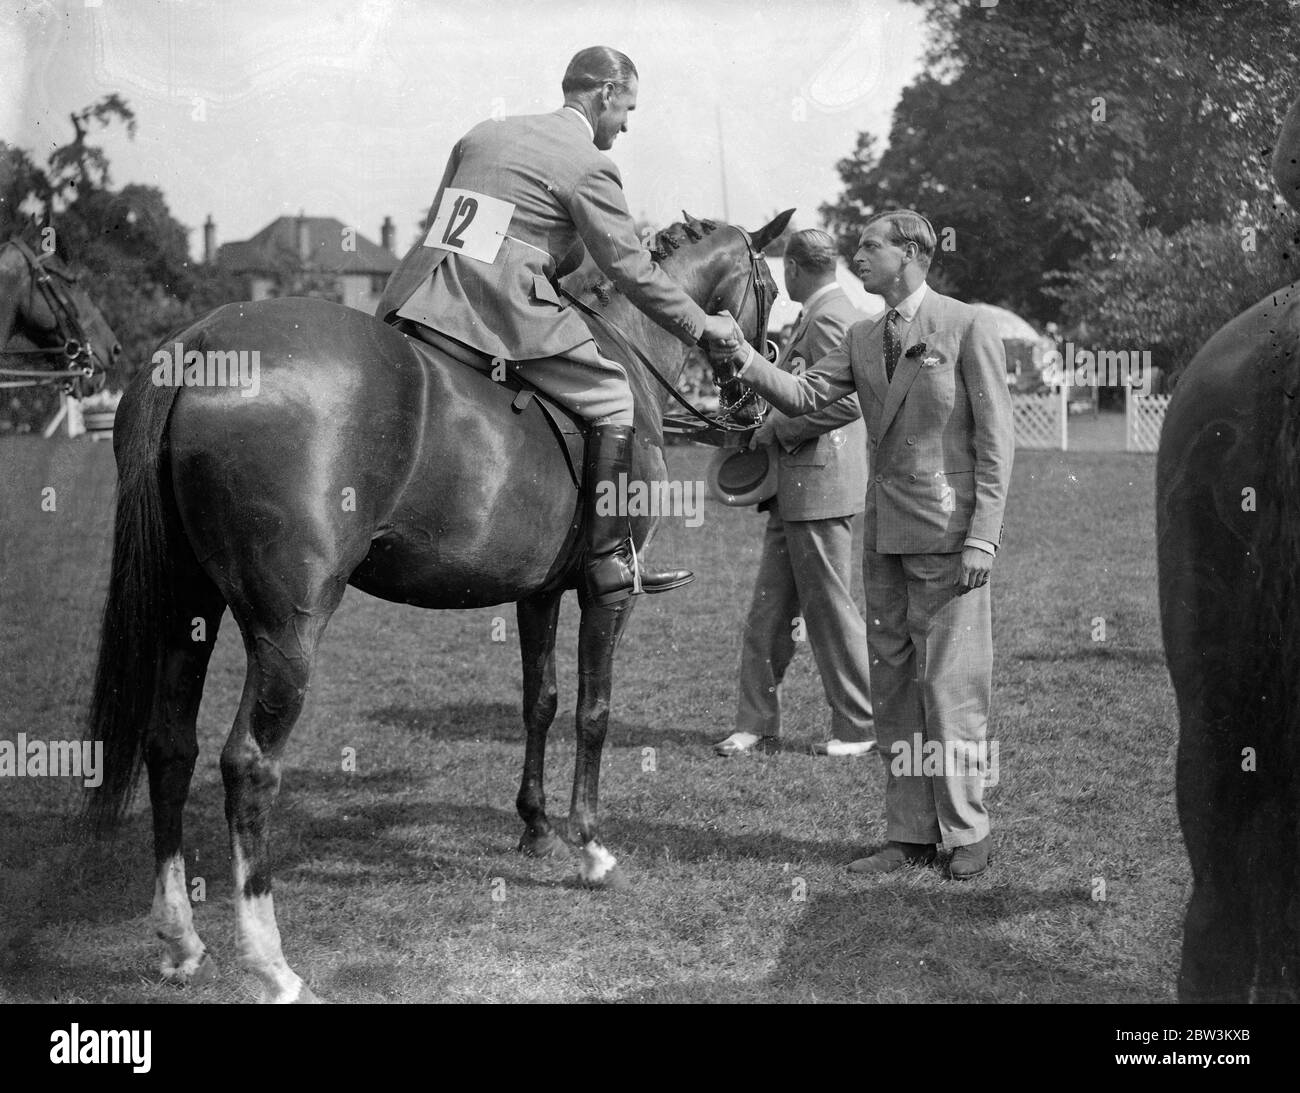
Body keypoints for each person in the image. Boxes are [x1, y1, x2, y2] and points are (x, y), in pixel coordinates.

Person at [377, 46, 742, 607]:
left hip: (420, 297)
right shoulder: (590, 164)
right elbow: (631, 268)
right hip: (494, 309)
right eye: (628, 110)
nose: (625, 126)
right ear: (606, 95)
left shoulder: (483, 135)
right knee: (616, 396)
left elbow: (447, 225)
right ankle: (607, 560)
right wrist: (700, 325)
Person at [709, 210, 1014, 879]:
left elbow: (997, 444)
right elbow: (806, 394)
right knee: (896, 689)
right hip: (884, 541)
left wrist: (983, 540)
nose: (858, 255)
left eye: (871, 246)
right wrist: (741, 356)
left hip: (952, 541)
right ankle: (908, 834)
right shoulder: (860, 333)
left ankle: (966, 832)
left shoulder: (967, 324)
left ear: (913, 253)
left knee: (950, 686)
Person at [713, 229, 876, 759]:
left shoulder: (833, 317)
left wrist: (778, 430)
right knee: (768, 612)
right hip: (801, 487)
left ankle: (858, 725)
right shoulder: (826, 312)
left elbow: (849, 404)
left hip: (821, 484)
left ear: (796, 269)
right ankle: (754, 723)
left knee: (828, 611)